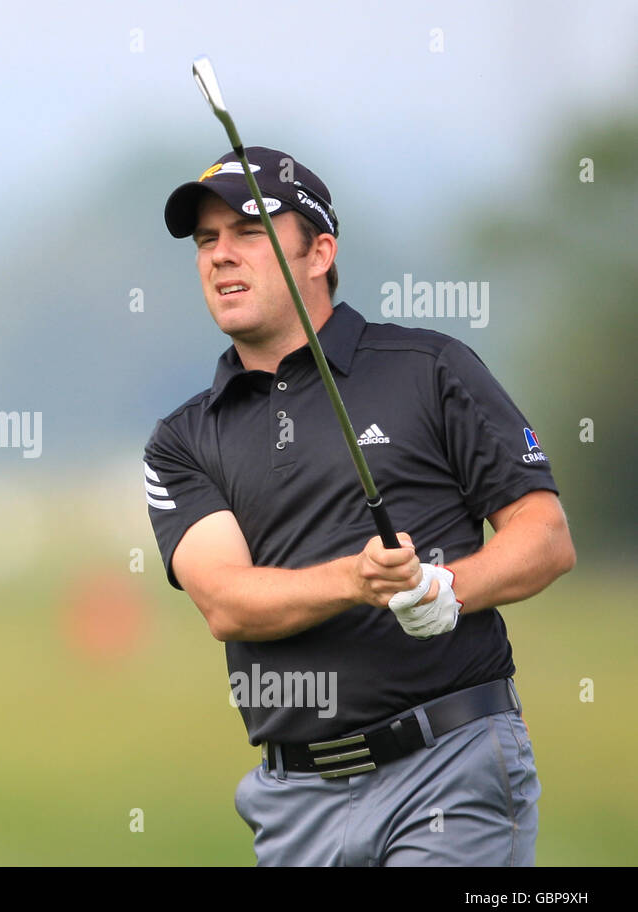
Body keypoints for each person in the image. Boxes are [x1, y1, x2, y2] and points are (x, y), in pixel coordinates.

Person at [143, 146, 576, 866]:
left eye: (248, 234)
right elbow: (227, 602)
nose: (221, 257)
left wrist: (447, 589)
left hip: (449, 767)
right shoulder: (184, 439)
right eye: (206, 241)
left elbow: (544, 534)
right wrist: (358, 580)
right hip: (292, 802)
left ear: (320, 252)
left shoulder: (430, 369)